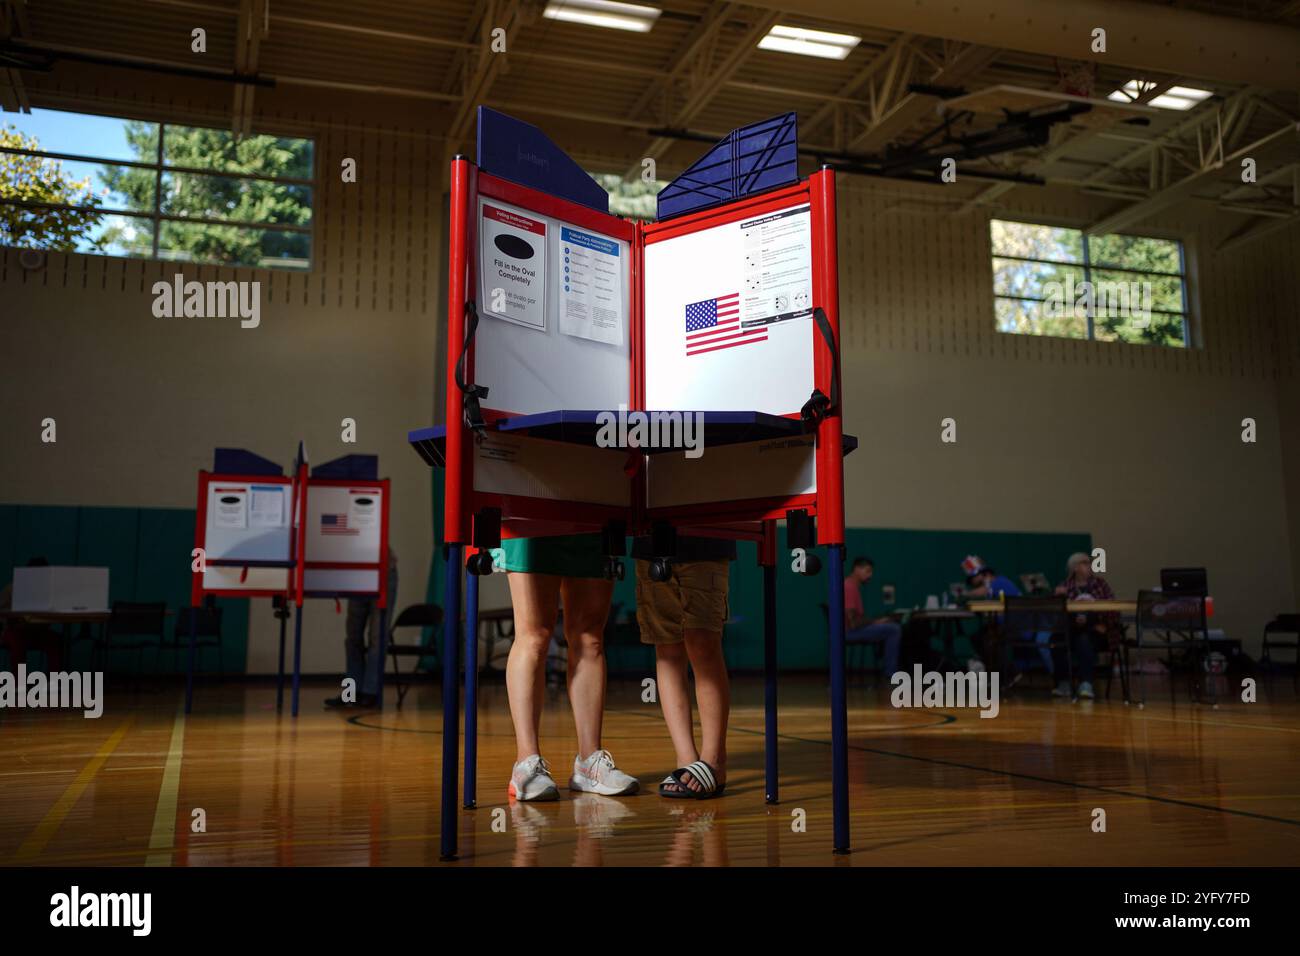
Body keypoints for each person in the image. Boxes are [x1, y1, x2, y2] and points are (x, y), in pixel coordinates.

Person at [498, 533, 638, 801]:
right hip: (532, 514)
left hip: (590, 513)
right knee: (534, 635)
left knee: (590, 637)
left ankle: (589, 763)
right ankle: (526, 762)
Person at [633, 535, 735, 799]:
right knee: (666, 649)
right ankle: (686, 759)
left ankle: (714, 762)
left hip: (706, 535)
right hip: (651, 543)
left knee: (704, 643)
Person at [326, 546, 398, 709]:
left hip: (383, 572)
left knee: (377, 638)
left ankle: (370, 693)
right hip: (359, 573)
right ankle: (351, 693)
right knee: (352, 638)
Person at [1052, 552, 1119, 700]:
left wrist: (1105, 625)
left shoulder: (1100, 584)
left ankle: (1086, 684)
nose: (1089, 566)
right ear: (1075, 568)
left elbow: (1113, 607)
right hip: (1072, 628)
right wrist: (1057, 597)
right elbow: (1055, 615)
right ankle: (1063, 684)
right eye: (1085, 563)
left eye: (1089, 563)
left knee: (1084, 640)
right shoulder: (1064, 586)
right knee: (1056, 640)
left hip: (1096, 629)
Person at [0, 557, 66, 672]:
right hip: (14, 630)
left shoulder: (48, 591)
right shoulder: (12, 588)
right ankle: (18, 682)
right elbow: (2, 612)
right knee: (17, 642)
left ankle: (55, 681)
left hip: (38, 631)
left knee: (56, 641)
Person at [844, 557, 902, 679]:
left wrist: (876, 622)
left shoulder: (851, 586)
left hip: (849, 630)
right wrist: (876, 622)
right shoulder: (849, 587)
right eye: (868, 571)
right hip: (849, 632)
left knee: (888, 626)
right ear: (856, 569)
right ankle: (891, 673)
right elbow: (853, 623)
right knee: (894, 629)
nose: (870, 575)